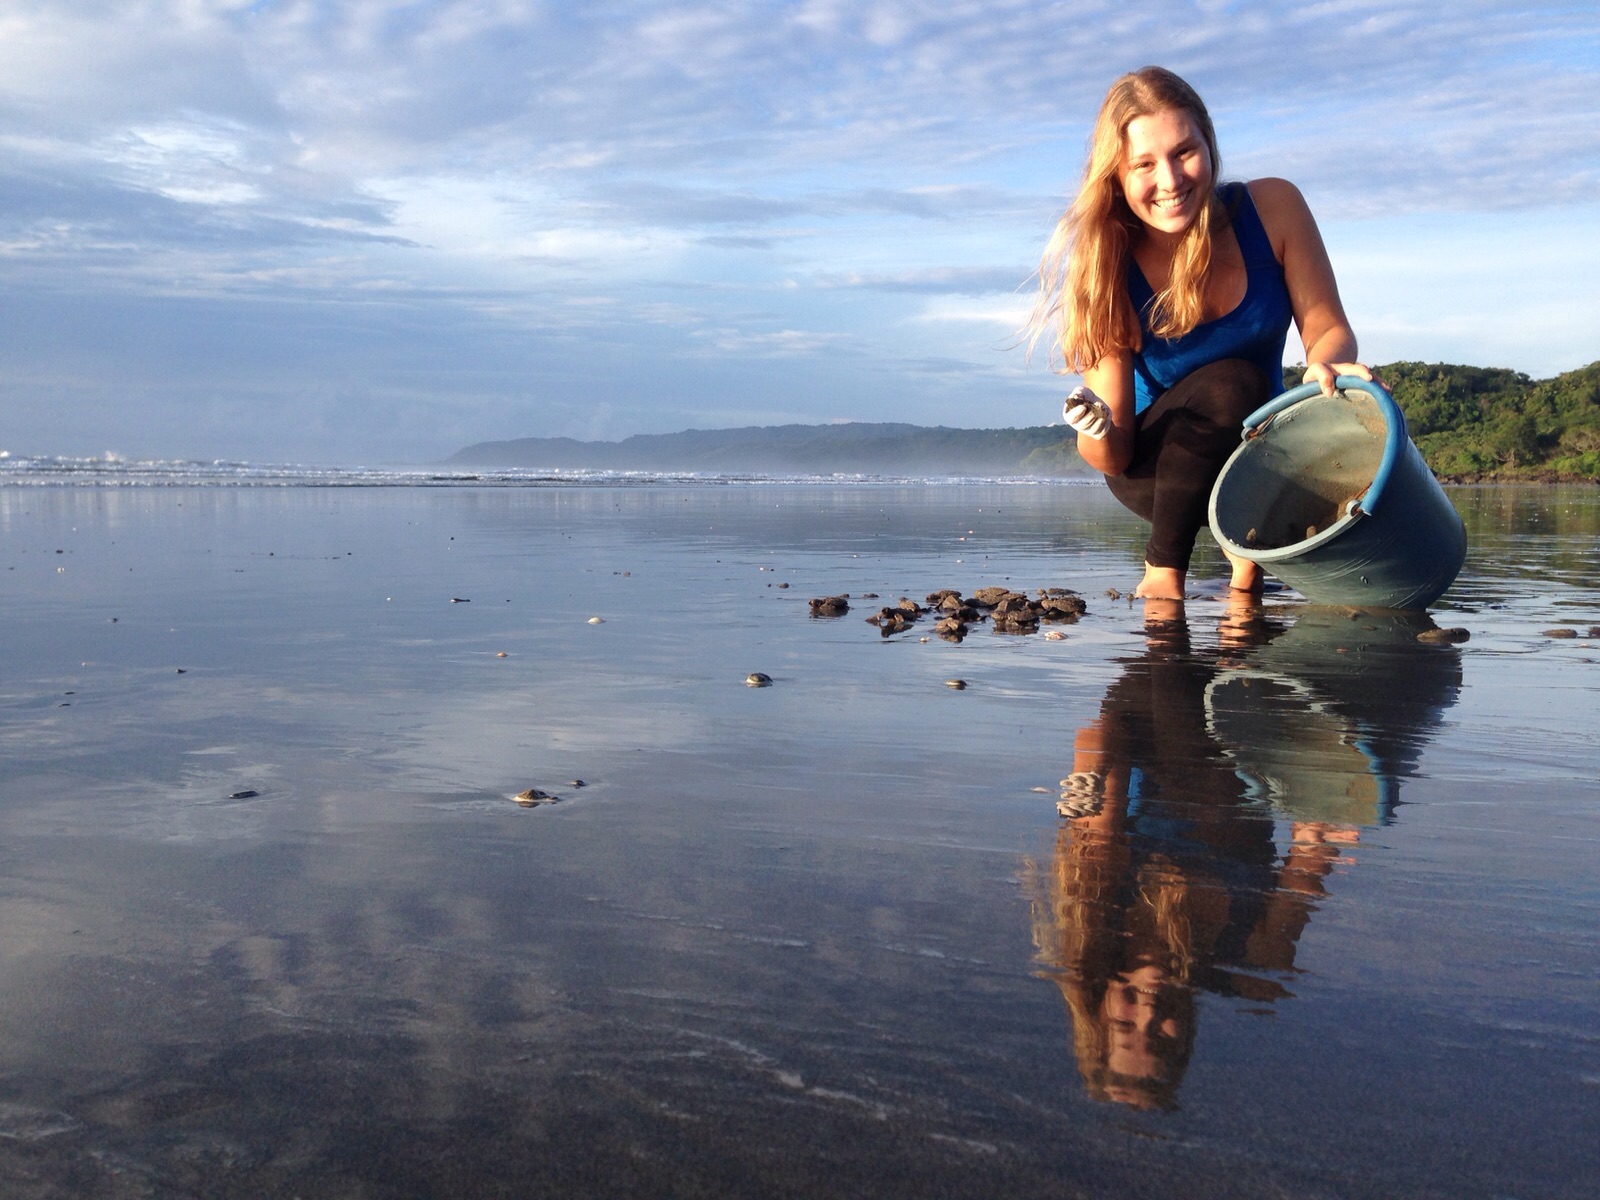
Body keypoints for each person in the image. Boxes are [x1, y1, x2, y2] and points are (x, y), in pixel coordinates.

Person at [1031, 66, 1374, 599]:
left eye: (1183, 152)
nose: (1170, 181)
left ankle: (1246, 569)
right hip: (1151, 470)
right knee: (1233, 382)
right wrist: (1093, 428)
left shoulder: (1274, 208)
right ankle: (1164, 574)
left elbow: (1327, 325)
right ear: (1118, 177)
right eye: (1144, 164)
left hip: (1255, 459)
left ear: (1209, 145)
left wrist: (1323, 363)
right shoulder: (1109, 262)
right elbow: (1115, 457)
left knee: (1280, 409)